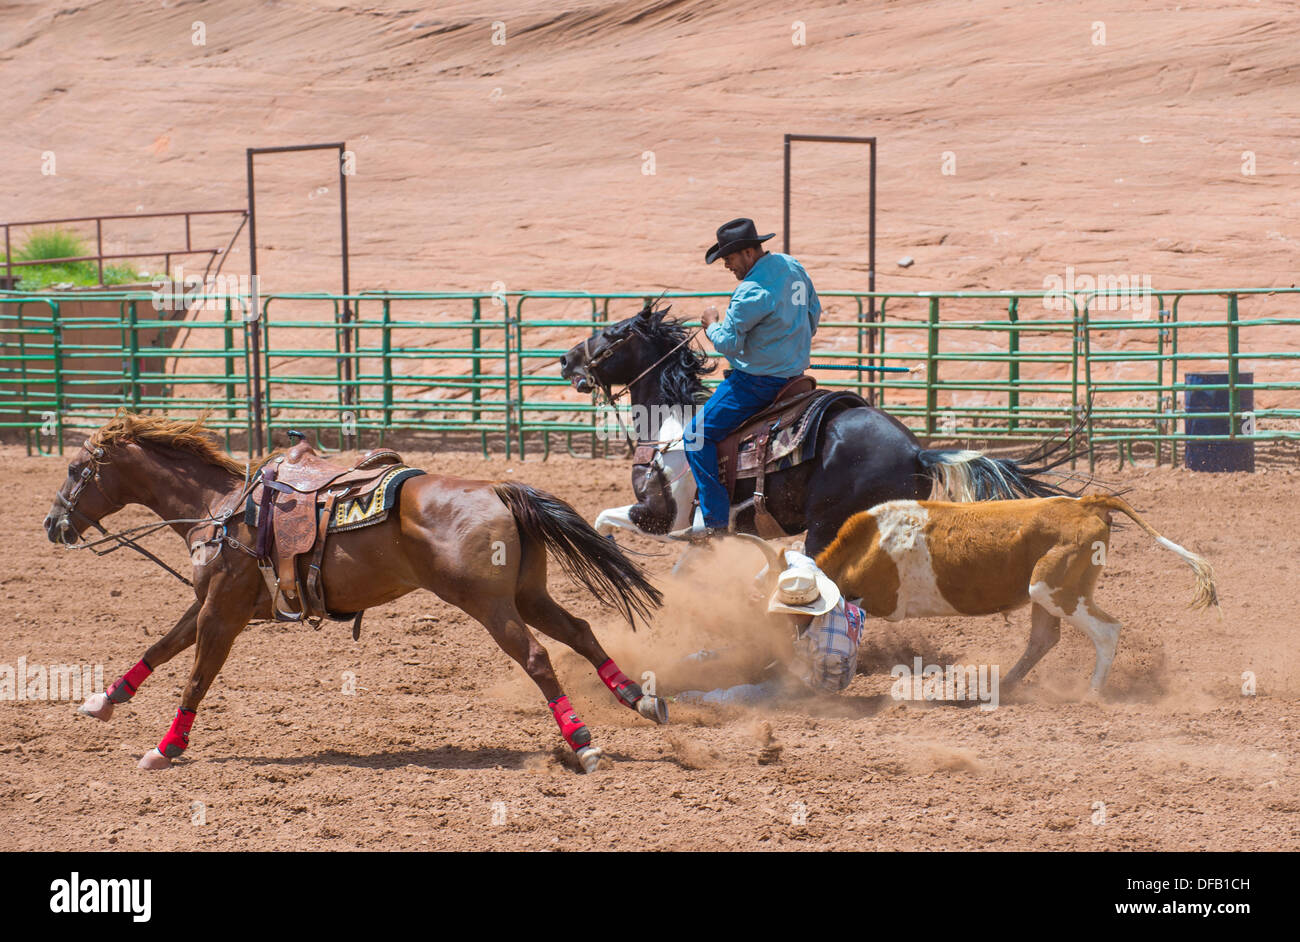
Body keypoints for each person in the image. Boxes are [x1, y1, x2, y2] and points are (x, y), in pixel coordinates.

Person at [685, 218, 822, 539]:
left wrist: (711, 324)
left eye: (729, 259)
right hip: (795, 377)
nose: (727, 267)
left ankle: (716, 523)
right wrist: (788, 341)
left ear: (748, 253)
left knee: (696, 437)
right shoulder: (792, 267)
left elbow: (730, 343)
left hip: (757, 383)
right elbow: (812, 314)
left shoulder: (750, 292)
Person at [676, 549, 865, 704]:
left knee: (740, 697)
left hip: (811, 674)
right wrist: (757, 584)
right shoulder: (805, 576)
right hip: (800, 645)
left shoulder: (831, 648)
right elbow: (787, 556)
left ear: (801, 613)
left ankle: (685, 701)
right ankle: (675, 671)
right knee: (736, 655)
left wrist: (789, 658)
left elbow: (826, 687)